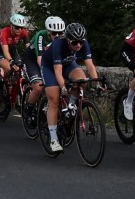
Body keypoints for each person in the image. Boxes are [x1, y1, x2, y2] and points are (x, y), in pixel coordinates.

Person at [38, 17, 98, 153]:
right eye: (75, 43)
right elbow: (58, 73)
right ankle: (53, 139)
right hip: (50, 67)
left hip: (68, 64)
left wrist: (96, 81)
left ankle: (71, 104)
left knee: (82, 80)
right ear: (68, 40)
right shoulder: (58, 45)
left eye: (81, 42)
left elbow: (89, 64)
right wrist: (64, 88)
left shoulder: (83, 42)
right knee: (54, 99)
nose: (78, 46)